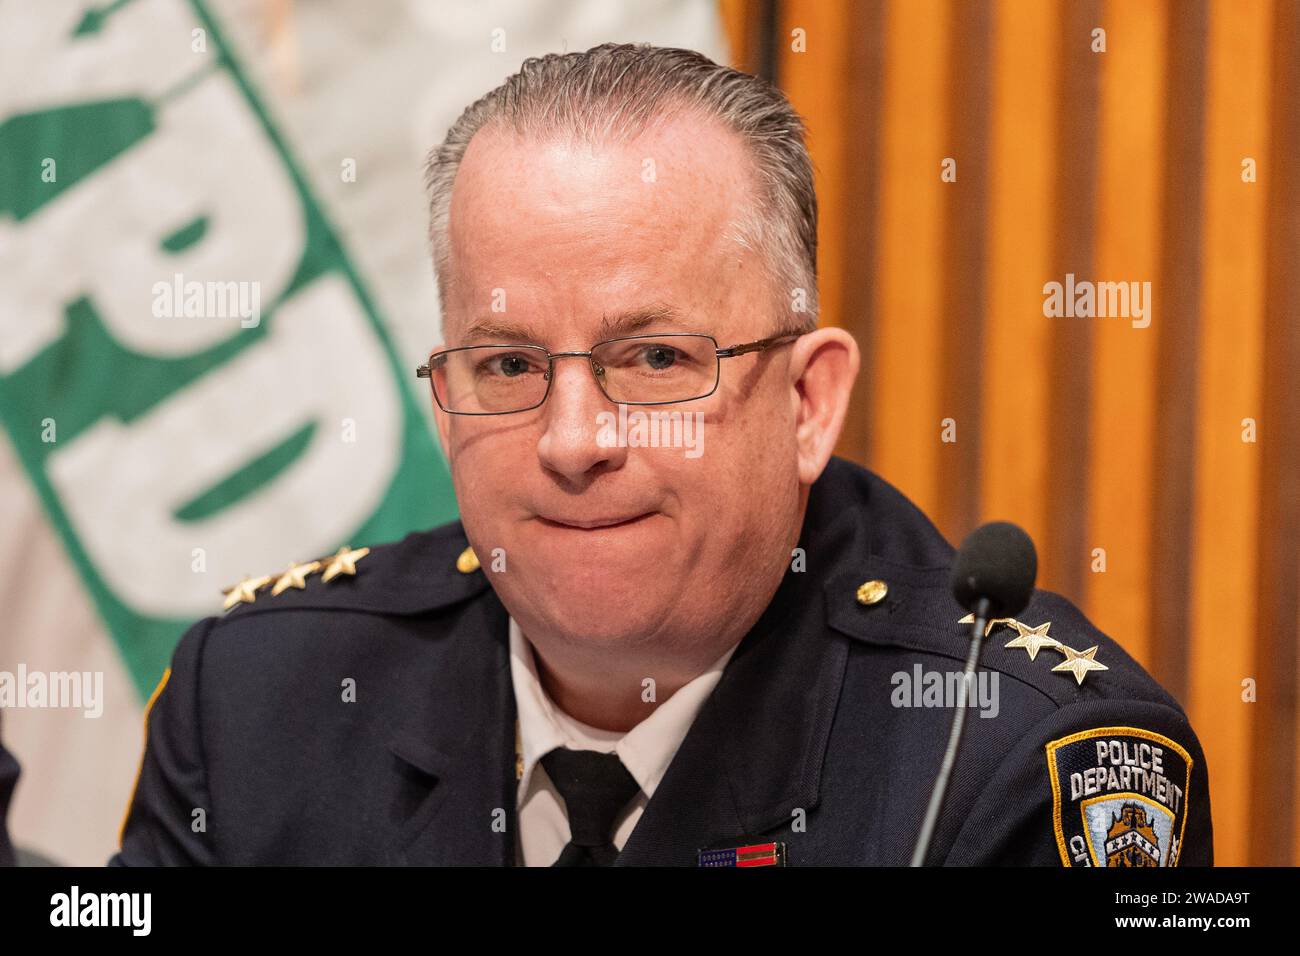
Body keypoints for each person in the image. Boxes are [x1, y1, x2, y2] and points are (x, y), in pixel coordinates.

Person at [111, 43, 1211, 866]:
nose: (574, 441)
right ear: (442, 398)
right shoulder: (257, 700)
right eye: (505, 366)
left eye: (651, 357)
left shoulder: (1013, 760)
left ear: (807, 400)